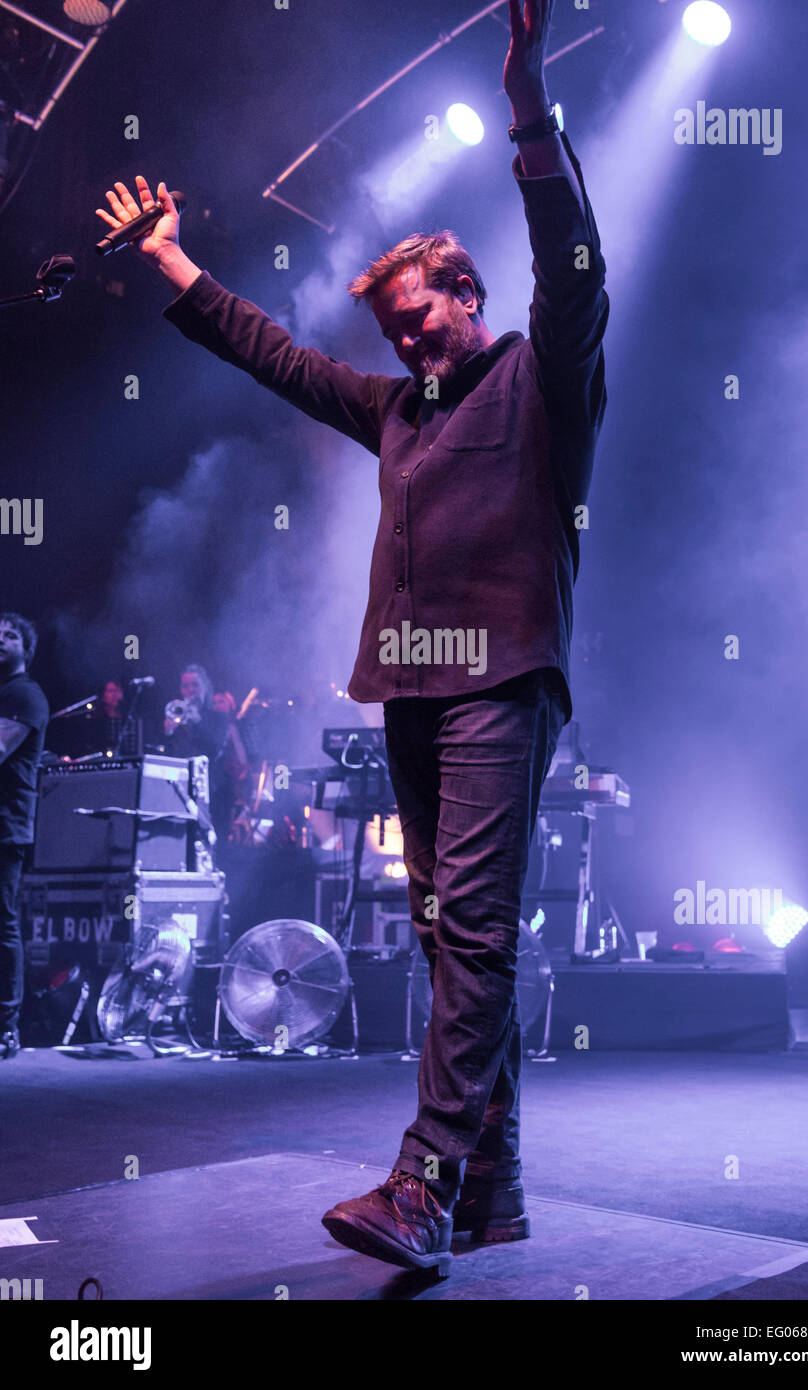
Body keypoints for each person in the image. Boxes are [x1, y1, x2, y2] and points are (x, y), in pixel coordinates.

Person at [95, 0, 608, 1276]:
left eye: (421, 317)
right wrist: (172, 263)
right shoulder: (395, 409)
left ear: (467, 293)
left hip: (501, 683)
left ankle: (423, 1187)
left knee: (473, 932)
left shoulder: (541, 379)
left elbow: (572, 265)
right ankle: (492, 1187)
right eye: (391, 333)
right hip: (413, 692)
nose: (408, 340)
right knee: (445, 936)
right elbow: (276, 357)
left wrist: (526, 102)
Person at [0, 613, 50, 1059]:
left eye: (10, 635)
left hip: (5, 825)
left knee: (3, 923)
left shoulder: (25, 694)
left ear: (26, 650)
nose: (0, 639)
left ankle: (6, 1026)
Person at [163, 665, 249, 843]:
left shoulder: (219, 718)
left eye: (195, 685)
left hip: (213, 791)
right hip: (182, 787)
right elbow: (168, 755)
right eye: (186, 686)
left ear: (205, 687)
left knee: (213, 843)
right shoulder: (178, 716)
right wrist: (168, 732)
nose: (190, 690)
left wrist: (197, 720)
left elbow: (215, 748)